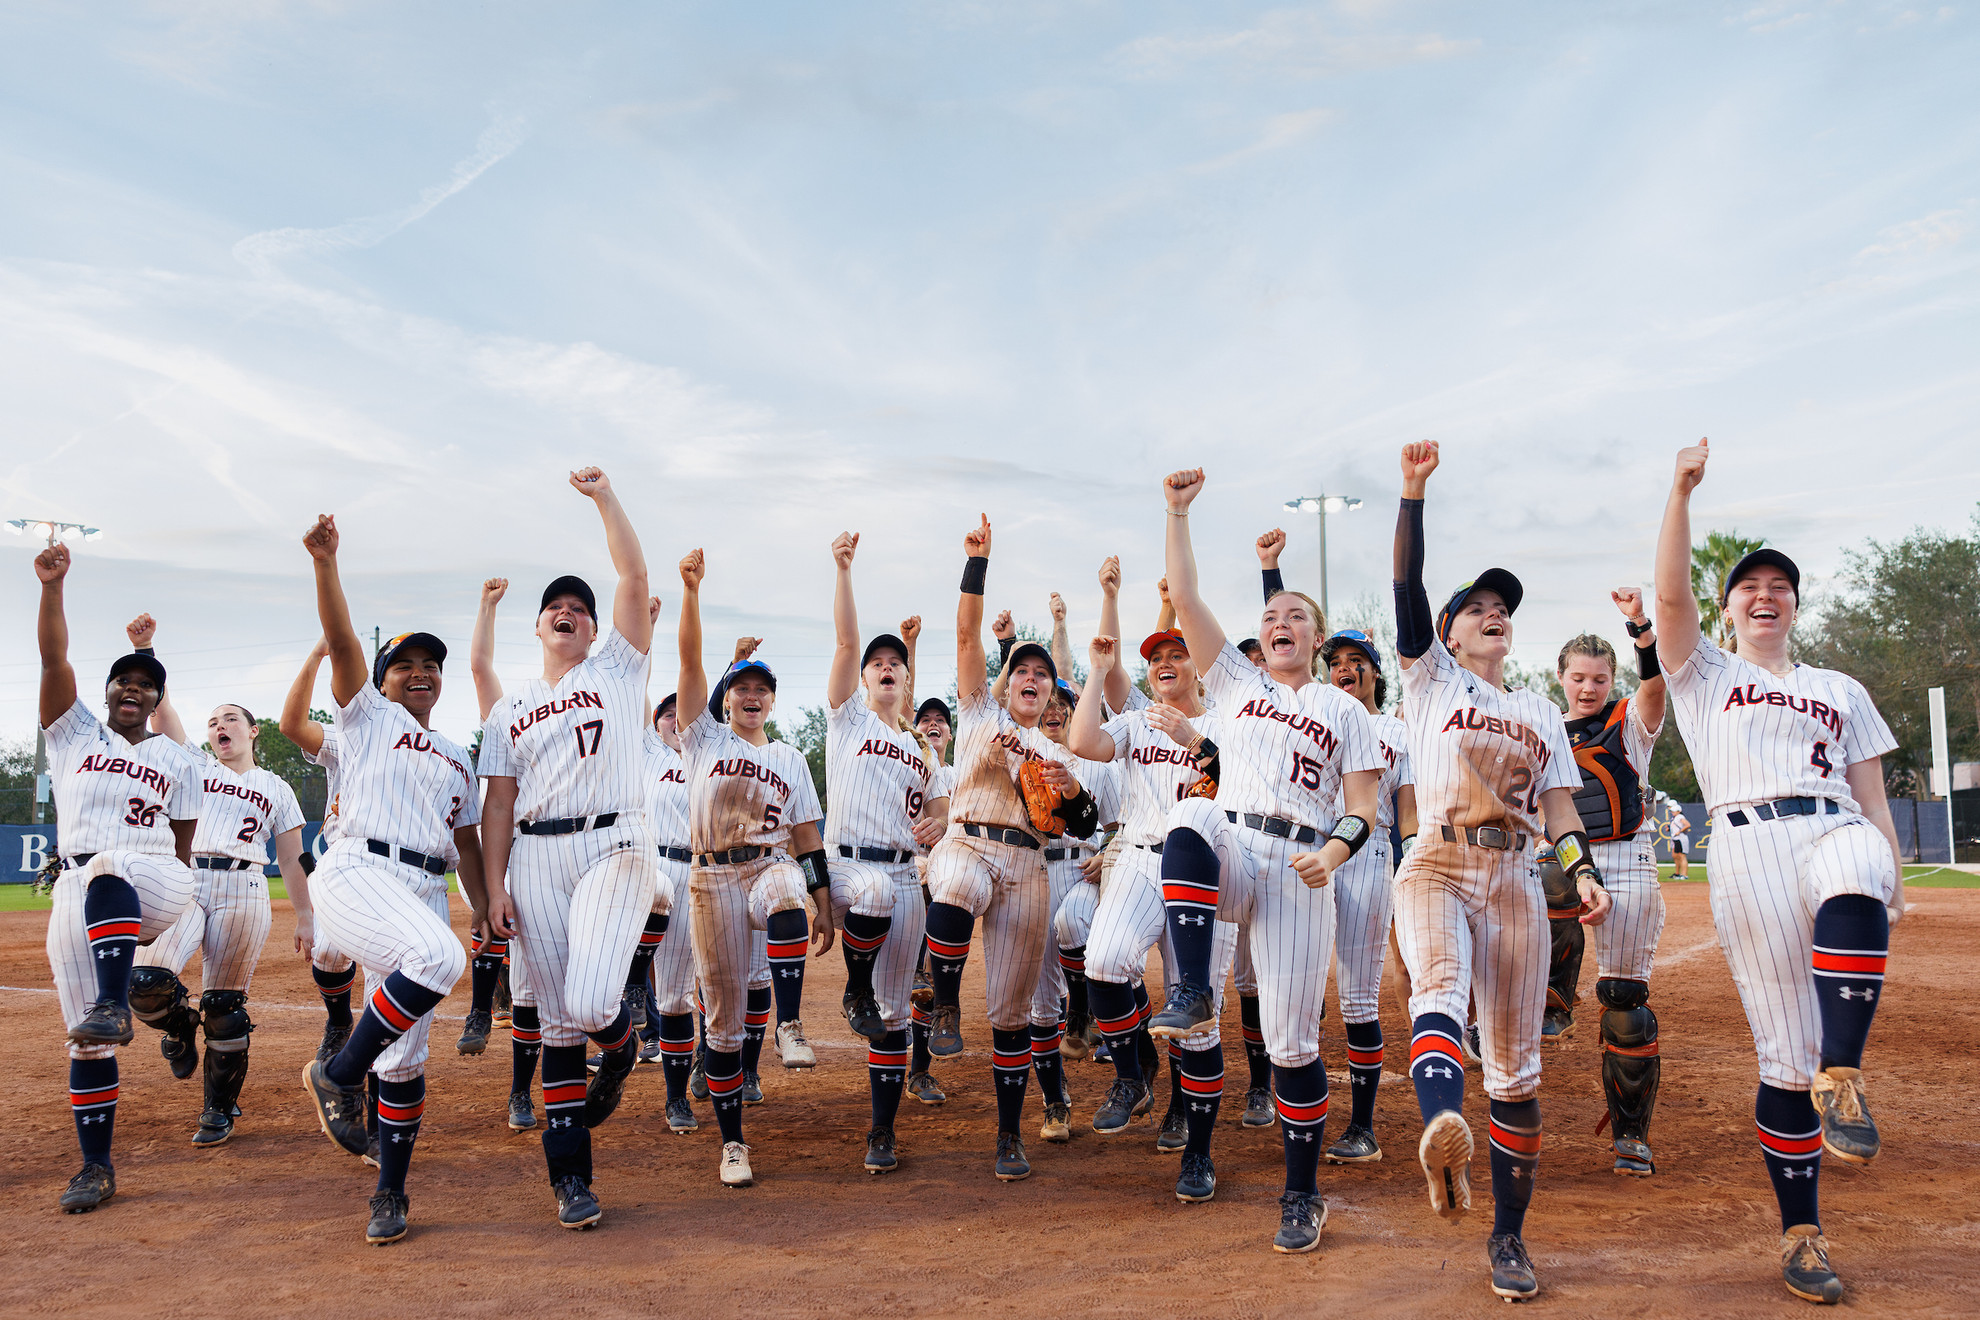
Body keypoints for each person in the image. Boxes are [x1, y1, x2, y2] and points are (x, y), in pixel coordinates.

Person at [1653, 438, 1903, 1305]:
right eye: (1750, 587)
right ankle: (1803, 1233)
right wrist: (1679, 493)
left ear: (1795, 605)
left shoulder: (1840, 687)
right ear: (1730, 612)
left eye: (1779, 586)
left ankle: (1847, 1074)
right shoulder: (1704, 674)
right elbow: (1671, 593)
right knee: (1780, 1056)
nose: (1766, 594)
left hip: (1833, 824)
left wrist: (1892, 877)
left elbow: (1871, 798)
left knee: (1859, 866)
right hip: (1747, 846)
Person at [1387, 441, 1611, 1301]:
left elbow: (1559, 810)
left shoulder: (1537, 714)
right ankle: (1444, 1122)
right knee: (1438, 988)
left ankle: (1508, 1241)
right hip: (1437, 862)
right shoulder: (1430, 681)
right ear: (1446, 634)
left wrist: (1580, 871)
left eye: (1503, 608)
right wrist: (1412, 496)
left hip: (1518, 879)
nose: (1494, 614)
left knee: (1517, 1069)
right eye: (1476, 606)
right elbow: (1406, 589)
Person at [1144, 469, 1385, 1254]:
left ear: (1315, 639)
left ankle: (1302, 1193)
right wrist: (1177, 513)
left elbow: (1362, 805)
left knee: (1291, 1046)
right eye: (1272, 614)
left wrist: (1340, 850)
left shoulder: (1344, 708)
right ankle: (1188, 988)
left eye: (1296, 617)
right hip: (1235, 847)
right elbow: (1183, 596)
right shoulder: (1239, 681)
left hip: (1300, 866)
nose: (1281, 621)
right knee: (1190, 811)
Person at [294, 513, 509, 1246]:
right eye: (405, 665)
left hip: (422, 887)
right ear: (382, 680)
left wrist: (484, 905)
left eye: (430, 666)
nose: (420, 673)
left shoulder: (457, 755)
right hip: (356, 866)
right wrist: (327, 565)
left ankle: (390, 1193)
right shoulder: (367, 719)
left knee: (408, 1055)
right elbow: (345, 642)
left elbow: (468, 841)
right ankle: (338, 1072)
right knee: (439, 961)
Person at [477, 467, 659, 1230]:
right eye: (555, 607)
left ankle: (618, 1046)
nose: (567, 612)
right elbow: (497, 805)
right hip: (535, 858)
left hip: (614, 840)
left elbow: (634, 573)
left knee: (588, 1004)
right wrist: (493, 890)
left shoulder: (618, 669)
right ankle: (571, 1181)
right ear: (539, 627)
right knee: (554, 1027)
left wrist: (604, 499)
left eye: (579, 609)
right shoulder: (511, 709)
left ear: (595, 630)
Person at [920, 515, 1097, 1182]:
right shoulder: (978, 714)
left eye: (1042, 674)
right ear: (1008, 681)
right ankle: (941, 1002)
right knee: (957, 886)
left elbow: (1084, 820)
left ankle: (1007, 1136)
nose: (1032, 677)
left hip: (1029, 866)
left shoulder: (1060, 747)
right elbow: (967, 635)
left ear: (1052, 691)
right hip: (966, 839)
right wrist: (977, 562)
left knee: (1013, 1014)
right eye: (1022, 669)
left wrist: (1072, 788)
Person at [34, 541, 201, 1213]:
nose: (134, 688)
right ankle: (95, 1168)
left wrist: (179, 896)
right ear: (107, 692)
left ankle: (115, 1002)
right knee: (87, 1041)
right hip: (78, 892)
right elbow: (53, 659)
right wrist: (53, 587)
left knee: (114, 861)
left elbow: (185, 841)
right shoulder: (73, 734)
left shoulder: (176, 757)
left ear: (158, 697)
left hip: (156, 875)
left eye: (146, 683)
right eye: (123, 680)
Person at [674, 548, 835, 1187]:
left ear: (770, 701)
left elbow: (805, 837)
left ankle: (790, 1023)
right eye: (742, 686)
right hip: (709, 877)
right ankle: (733, 1143)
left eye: (761, 688)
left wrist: (825, 901)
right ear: (727, 697)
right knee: (721, 1020)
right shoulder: (703, 740)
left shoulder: (791, 758)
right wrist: (691, 593)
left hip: (768, 863)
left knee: (787, 893)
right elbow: (688, 662)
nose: (751, 695)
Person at [123, 614, 308, 1149]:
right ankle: (180, 1028)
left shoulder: (275, 786)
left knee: (226, 1010)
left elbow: (293, 858)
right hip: (185, 880)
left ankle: (218, 1110)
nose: (218, 726)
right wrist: (147, 648)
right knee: (145, 983)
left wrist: (307, 915)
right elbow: (160, 711)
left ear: (253, 731)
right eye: (212, 721)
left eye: (229, 719)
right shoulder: (193, 765)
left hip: (245, 889)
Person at [1067, 623, 1235, 1204]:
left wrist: (1195, 741)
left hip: (1204, 868)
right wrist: (1093, 670)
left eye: (1177, 654)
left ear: (1199, 667)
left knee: (1199, 1021)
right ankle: (1133, 1072)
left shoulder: (1227, 721)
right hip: (1139, 856)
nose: (1166, 662)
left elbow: (1235, 789)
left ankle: (1197, 1151)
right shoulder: (1139, 721)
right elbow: (1083, 742)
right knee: (1104, 963)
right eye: (1157, 657)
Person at [822, 532, 948, 1173]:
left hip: (904, 875)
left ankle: (881, 1131)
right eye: (879, 664)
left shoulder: (923, 750)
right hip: (848, 867)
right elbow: (846, 643)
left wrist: (941, 815)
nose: (886, 667)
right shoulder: (848, 720)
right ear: (865, 679)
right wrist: (844, 570)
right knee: (869, 896)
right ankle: (851, 987)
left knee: (896, 1015)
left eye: (896, 662)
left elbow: (943, 809)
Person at [1545, 589, 1670, 1179]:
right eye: (1578, 677)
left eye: (1599, 677)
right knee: (1549, 876)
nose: (1588, 687)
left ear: (1610, 678)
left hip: (1626, 858)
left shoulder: (1629, 722)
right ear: (1561, 679)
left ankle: (1631, 1138)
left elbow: (1654, 688)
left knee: (1624, 1001)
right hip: (1563, 857)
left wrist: (1641, 629)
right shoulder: (1539, 727)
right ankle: (1552, 1000)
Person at [1315, 627, 1418, 1166]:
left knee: (1357, 996)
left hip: (1369, 853)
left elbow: (1408, 812)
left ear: (1375, 671)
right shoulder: (1313, 719)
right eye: (1335, 661)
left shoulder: (1396, 731)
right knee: (1298, 991)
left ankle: (1362, 1126)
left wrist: (1415, 864)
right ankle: (1293, 1109)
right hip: (1307, 848)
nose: (1345, 668)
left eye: (1357, 660)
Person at [642, 685, 700, 1132]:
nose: (676, 721)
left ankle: (715, 1069)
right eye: (667, 715)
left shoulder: (712, 755)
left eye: (686, 713)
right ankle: (676, 1098)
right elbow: (632, 682)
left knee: (719, 987)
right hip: (661, 868)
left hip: (708, 870)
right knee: (675, 993)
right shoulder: (649, 755)